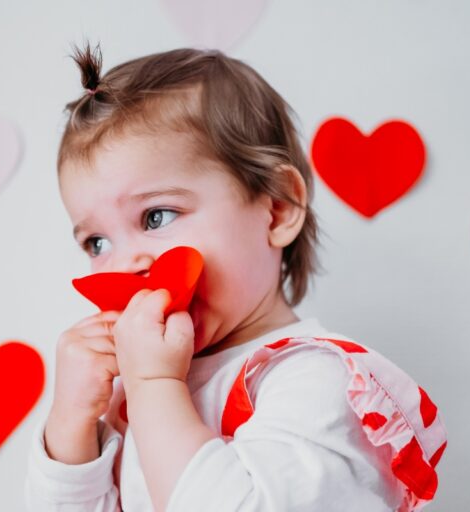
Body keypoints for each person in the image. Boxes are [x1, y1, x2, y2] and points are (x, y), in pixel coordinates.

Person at [24, 42, 447, 512]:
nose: (126, 265)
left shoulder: (316, 382)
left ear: (276, 210)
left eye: (157, 216)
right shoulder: (133, 394)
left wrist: (154, 386)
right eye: (96, 243)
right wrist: (71, 427)